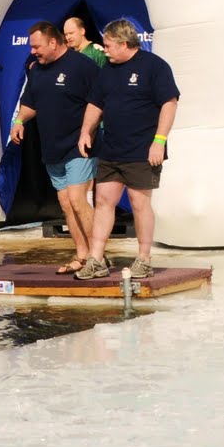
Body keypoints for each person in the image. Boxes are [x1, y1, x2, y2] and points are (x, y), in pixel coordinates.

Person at [74, 20, 179, 281]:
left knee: (139, 203)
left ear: (124, 44)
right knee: (103, 201)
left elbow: (169, 103)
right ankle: (96, 259)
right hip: (112, 149)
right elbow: (95, 103)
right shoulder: (107, 70)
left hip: (142, 150)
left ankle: (144, 259)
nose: (105, 50)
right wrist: (86, 131)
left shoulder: (154, 66)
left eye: (109, 45)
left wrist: (159, 141)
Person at [11, 21, 99, 275]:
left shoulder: (82, 66)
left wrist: (88, 132)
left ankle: (97, 257)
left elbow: (99, 101)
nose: (33, 51)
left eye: (37, 47)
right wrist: (19, 121)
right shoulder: (37, 70)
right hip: (52, 146)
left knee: (77, 199)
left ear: (53, 42)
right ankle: (82, 255)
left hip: (79, 144)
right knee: (66, 203)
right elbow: (30, 102)